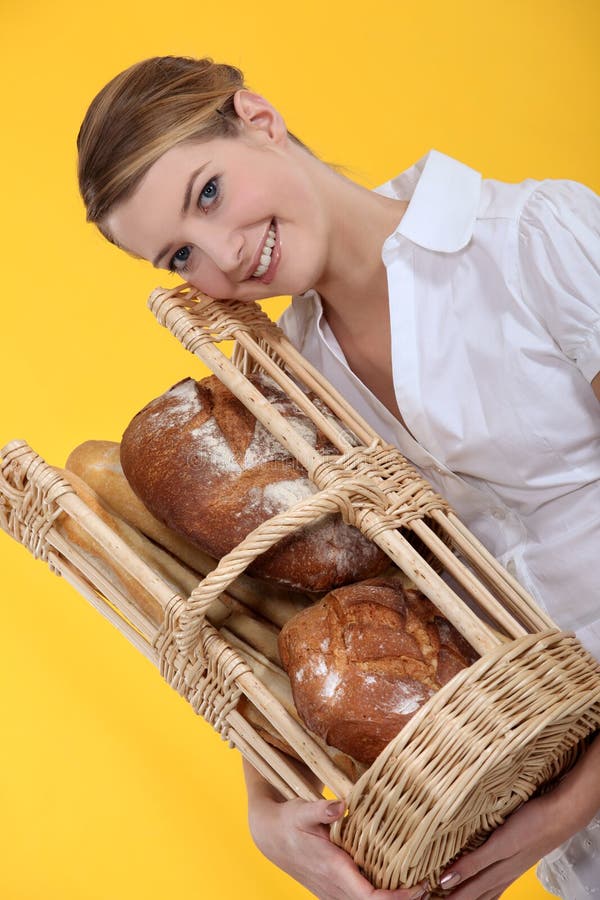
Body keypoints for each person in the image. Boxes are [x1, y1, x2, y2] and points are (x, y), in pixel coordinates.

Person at [77, 56, 600, 900]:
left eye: (207, 193)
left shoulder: (531, 239)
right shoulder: (292, 390)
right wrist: (266, 808)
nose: (224, 256)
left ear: (257, 118)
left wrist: (574, 802)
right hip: (547, 814)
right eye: (179, 255)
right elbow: (302, 604)